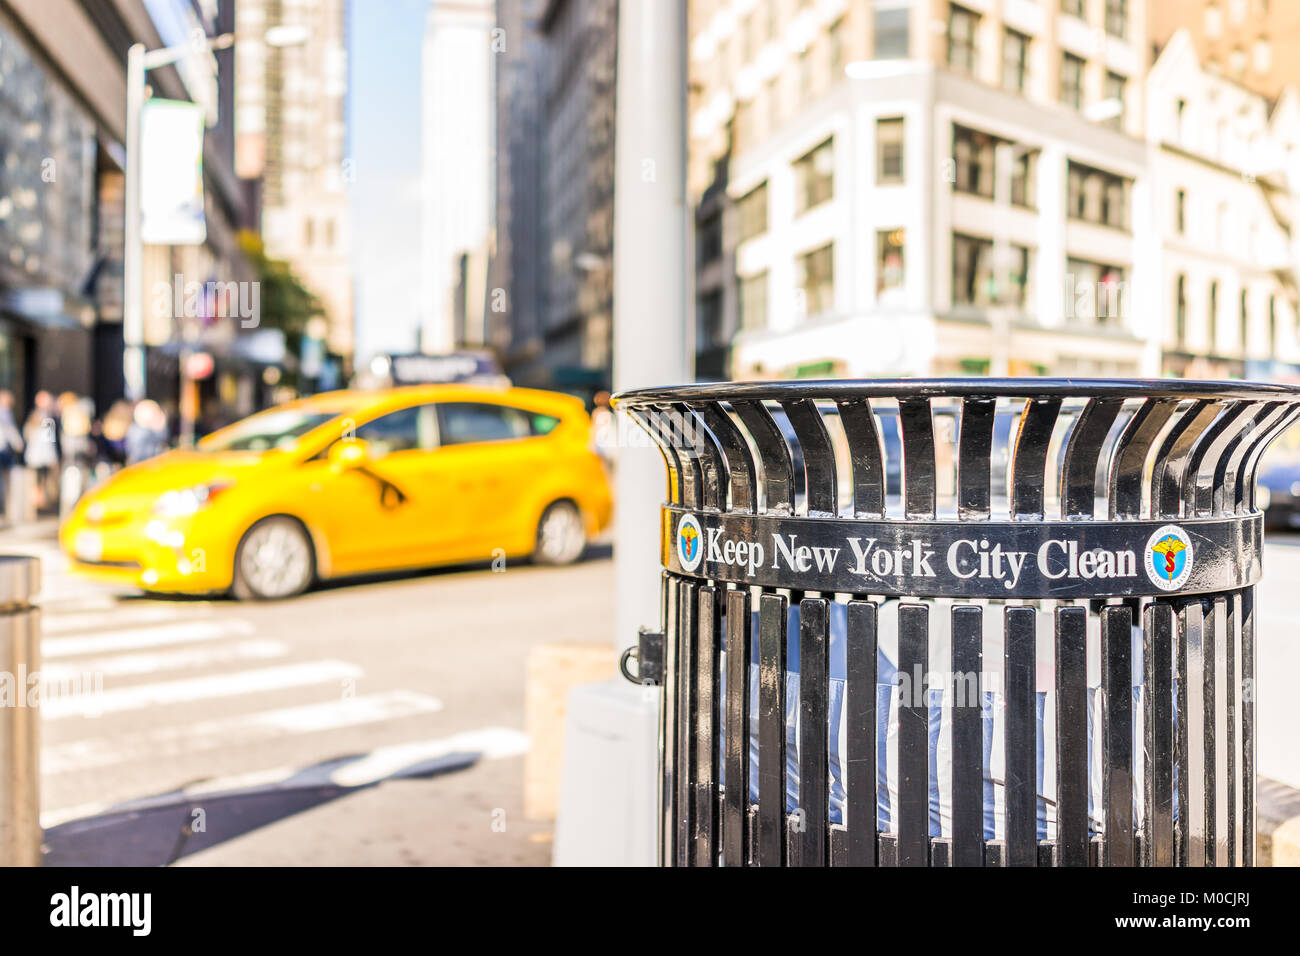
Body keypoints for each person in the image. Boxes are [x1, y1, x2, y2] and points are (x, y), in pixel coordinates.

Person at [23, 391, 59, 513]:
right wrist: (53, 457)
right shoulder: (46, 418)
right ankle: (37, 504)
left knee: (36, 481)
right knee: (39, 481)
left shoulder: (37, 416)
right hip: (41, 456)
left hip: (36, 456)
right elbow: (48, 440)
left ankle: (35, 505)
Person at [0, 390, 23, 522]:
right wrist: (18, 443)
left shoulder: (7, 413)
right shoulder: (5, 414)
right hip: (3, 448)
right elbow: (9, 430)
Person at [126, 400, 169, 464]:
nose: (161, 415)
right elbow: (140, 456)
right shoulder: (139, 434)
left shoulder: (156, 431)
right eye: (157, 414)